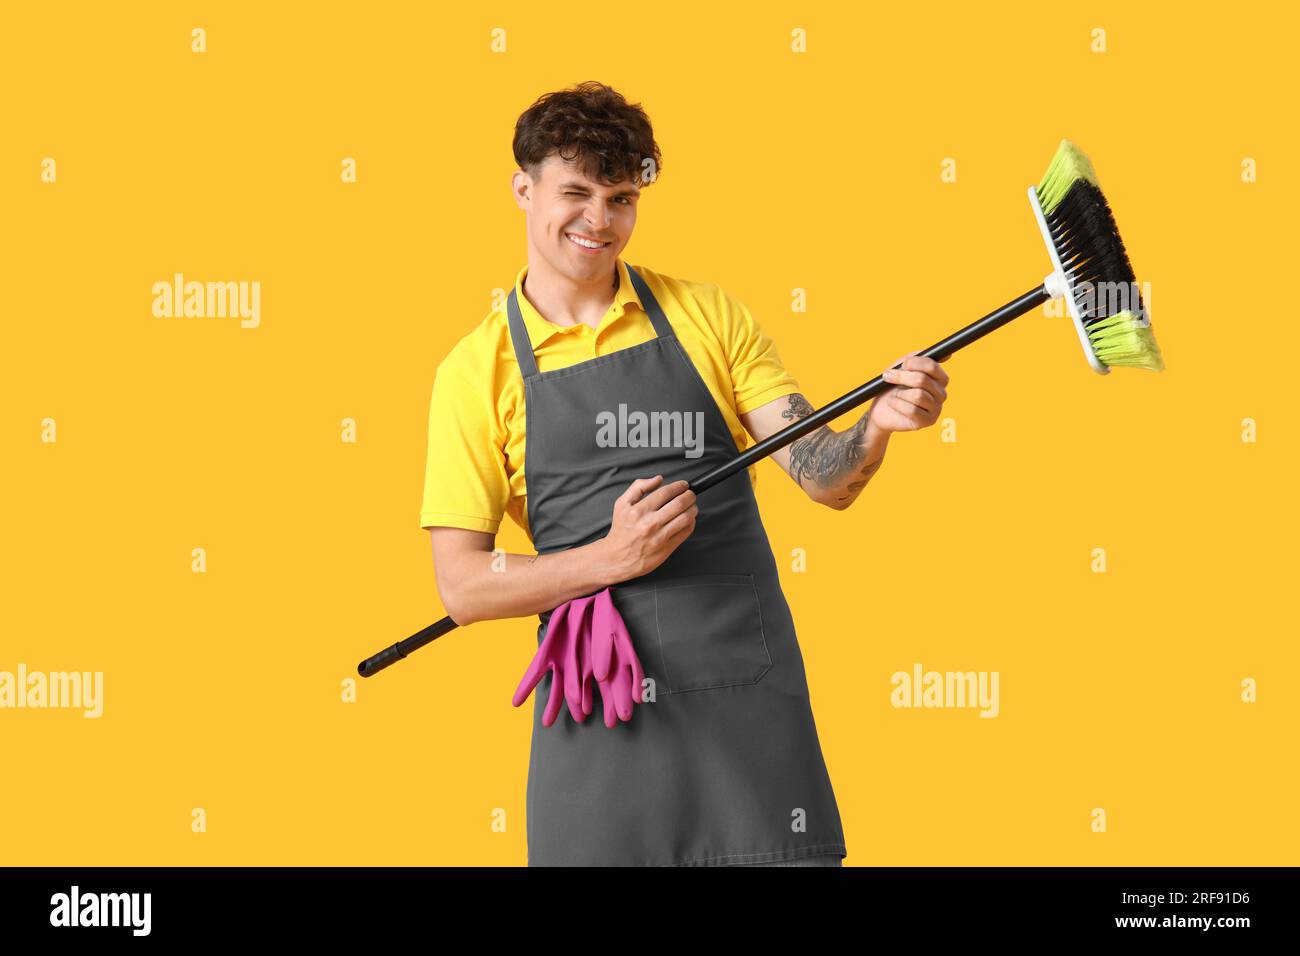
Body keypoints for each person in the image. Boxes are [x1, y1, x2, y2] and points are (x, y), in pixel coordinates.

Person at [420, 81, 950, 867]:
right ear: (523, 189)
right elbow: (462, 586)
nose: (599, 221)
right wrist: (611, 560)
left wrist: (876, 428)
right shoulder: (475, 373)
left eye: (621, 196)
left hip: (745, 707)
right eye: (576, 192)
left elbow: (822, 477)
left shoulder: (710, 317)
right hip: (598, 715)